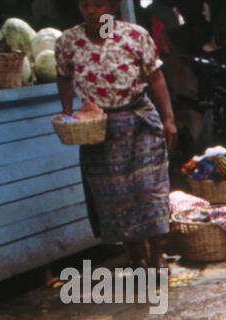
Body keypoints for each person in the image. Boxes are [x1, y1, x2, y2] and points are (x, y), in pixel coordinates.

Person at [55, 0, 177, 270]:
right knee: (115, 198)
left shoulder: (134, 35)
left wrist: (168, 118)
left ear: (111, 6)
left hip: (139, 121)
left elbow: (155, 77)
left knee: (149, 191)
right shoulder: (68, 42)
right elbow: (64, 76)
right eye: (85, 5)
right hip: (99, 130)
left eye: (98, 4)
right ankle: (135, 256)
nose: (92, 11)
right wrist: (67, 111)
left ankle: (157, 254)